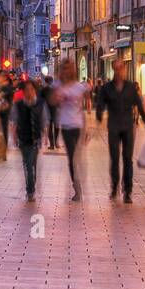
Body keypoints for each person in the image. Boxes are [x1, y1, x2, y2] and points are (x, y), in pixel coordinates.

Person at [96, 59, 145, 203]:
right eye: (118, 68)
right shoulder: (107, 88)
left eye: (122, 68)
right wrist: (98, 118)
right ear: (114, 69)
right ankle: (114, 187)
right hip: (114, 127)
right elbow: (100, 105)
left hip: (127, 127)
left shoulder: (130, 88)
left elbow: (139, 106)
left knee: (127, 159)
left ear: (124, 70)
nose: (120, 71)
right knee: (114, 159)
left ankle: (127, 191)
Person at [52, 59, 88, 201]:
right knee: (71, 157)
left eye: (70, 68)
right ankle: (76, 186)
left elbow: (82, 109)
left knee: (77, 158)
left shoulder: (79, 87)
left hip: (78, 125)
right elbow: (52, 101)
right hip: (66, 125)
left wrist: (86, 129)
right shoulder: (58, 85)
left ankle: (79, 182)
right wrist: (58, 96)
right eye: (65, 68)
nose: (68, 71)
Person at [14, 80, 45, 201]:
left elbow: (44, 120)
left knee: (31, 164)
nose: (29, 92)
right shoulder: (19, 105)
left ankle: (31, 187)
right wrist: (14, 136)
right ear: (23, 92)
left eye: (31, 89)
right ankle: (30, 190)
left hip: (35, 139)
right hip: (23, 139)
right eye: (26, 90)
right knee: (27, 164)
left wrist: (45, 135)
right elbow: (14, 121)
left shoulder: (40, 104)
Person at [0, 73, 15, 157]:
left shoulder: (8, 87)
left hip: (5, 110)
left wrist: (1, 94)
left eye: (1, 77)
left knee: (4, 128)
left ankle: (4, 148)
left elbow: (9, 96)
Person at [43, 76, 60, 150]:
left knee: (50, 127)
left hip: (48, 111)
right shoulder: (56, 89)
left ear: (45, 81)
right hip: (56, 110)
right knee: (56, 127)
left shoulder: (44, 89)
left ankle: (52, 144)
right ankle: (56, 143)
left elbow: (41, 100)